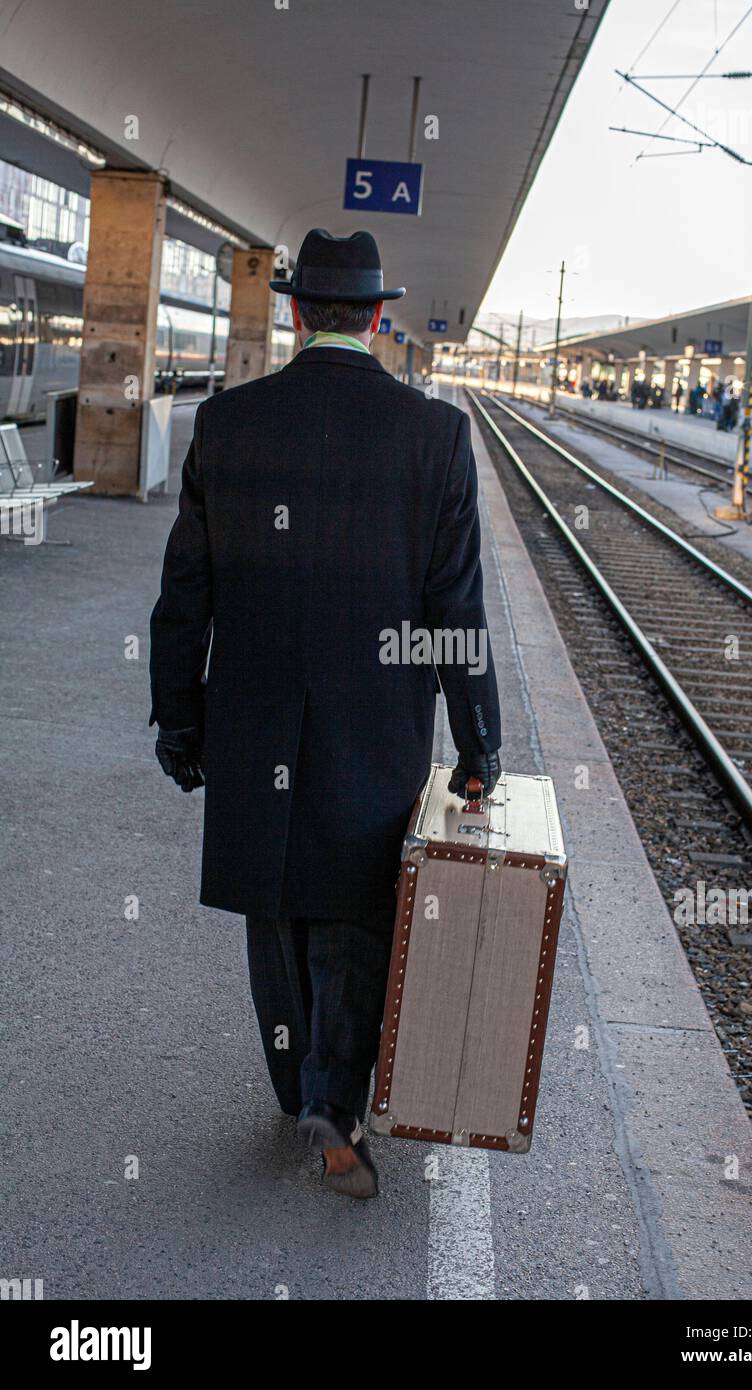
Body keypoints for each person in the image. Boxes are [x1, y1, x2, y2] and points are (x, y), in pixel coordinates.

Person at [149, 228, 502, 1201]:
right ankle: (330, 1100)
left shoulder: (229, 423)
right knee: (355, 907)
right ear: (379, 316)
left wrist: (178, 720)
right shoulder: (431, 436)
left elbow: (187, 593)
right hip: (375, 720)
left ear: (298, 311)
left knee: (276, 902)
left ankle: (296, 1079)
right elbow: (452, 610)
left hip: (252, 713)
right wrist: (480, 744)